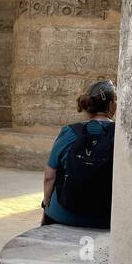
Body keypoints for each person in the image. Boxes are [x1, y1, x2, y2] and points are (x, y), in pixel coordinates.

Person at [41, 79, 116, 229]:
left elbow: (49, 176)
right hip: (104, 218)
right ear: (110, 105)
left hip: (62, 215)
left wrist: (46, 203)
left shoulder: (69, 132)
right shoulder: (120, 135)